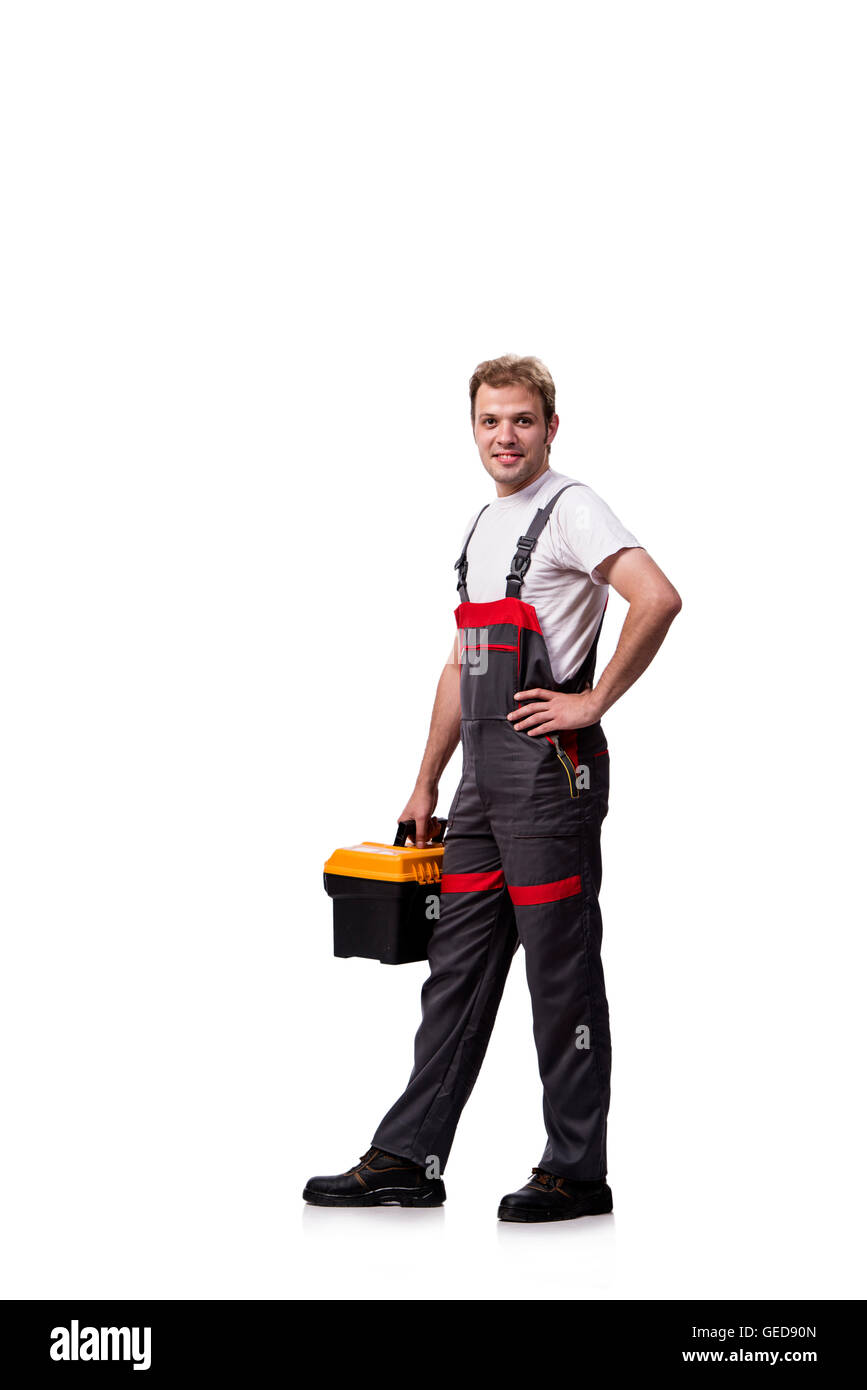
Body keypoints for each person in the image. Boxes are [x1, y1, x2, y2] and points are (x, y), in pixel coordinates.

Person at [304, 355, 682, 1222]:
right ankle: (407, 1156)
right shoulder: (481, 526)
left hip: (549, 780)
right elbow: (457, 664)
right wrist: (424, 781)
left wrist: (591, 700)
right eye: (488, 422)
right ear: (472, 429)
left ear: (551, 427)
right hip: (478, 785)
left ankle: (575, 1171)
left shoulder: (572, 508)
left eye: (520, 420)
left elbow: (655, 598)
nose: (503, 436)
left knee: (559, 971)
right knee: (455, 968)